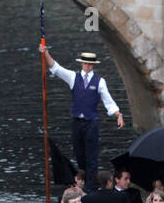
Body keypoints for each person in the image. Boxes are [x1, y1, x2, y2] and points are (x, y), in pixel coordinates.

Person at [39, 45, 123, 187]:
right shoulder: (73, 77)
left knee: (92, 157)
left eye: (89, 64)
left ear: (92, 66)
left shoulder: (99, 82)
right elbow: (56, 68)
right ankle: (85, 181)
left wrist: (118, 114)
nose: (87, 66)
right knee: (79, 155)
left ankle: (90, 188)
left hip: (91, 123)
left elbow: (108, 101)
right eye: (85, 63)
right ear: (82, 64)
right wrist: (45, 53)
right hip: (77, 122)